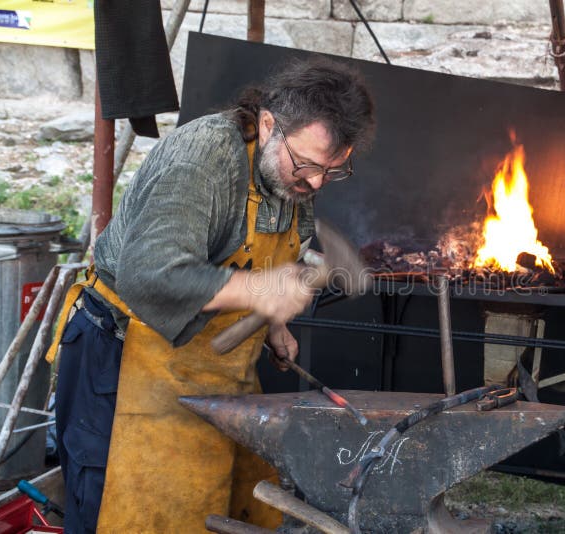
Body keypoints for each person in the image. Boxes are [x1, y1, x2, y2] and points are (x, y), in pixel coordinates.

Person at [46, 58, 375, 533]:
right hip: (124, 362)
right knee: (126, 516)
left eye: (333, 170)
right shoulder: (205, 156)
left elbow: (271, 254)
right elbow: (151, 274)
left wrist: (274, 324)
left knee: (224, 512)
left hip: (216, 377)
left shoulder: (291, 175)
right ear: (269, 124)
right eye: (307, 164)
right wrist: (261, 290)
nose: (317, 181)